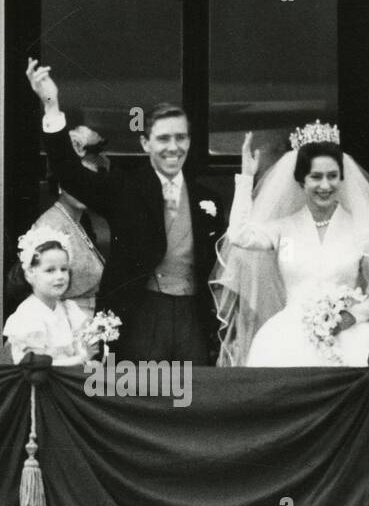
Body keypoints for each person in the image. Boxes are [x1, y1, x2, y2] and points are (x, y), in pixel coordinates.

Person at [26, 58, 223, 364]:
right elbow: (70, 175)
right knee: (143, 391)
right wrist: (51, 104)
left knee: (192, 391)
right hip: (142, 314)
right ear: (145, 143)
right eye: (163, 138)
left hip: (192, 319)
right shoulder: (125, 188)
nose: (173, 147)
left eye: (181, 137)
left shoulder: (208, 199)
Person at [213, 123, 369, 367]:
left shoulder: (361, 229)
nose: (325, 186)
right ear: (301, 181)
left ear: (341, 178)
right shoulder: (284, 229)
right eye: (316, 177)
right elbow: (239, 235)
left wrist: (353, 315)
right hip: (288, 338)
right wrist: (246, 178)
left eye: (332, 176)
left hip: (351, 336)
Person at [26, 123, 108, 316]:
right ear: (61, 184)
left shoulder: (80, 222)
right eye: (78, 181)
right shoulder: (50, 226)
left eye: (90, 183)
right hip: (63, 321)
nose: (84, 190)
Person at [3, 227, 94, 366]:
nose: (60, 276)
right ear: (30, 274)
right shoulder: (28, 315)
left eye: (64, 269)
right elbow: (36, 367)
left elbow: (80, 351)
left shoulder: (69, 309)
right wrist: (81, 359)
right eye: (50, 270)